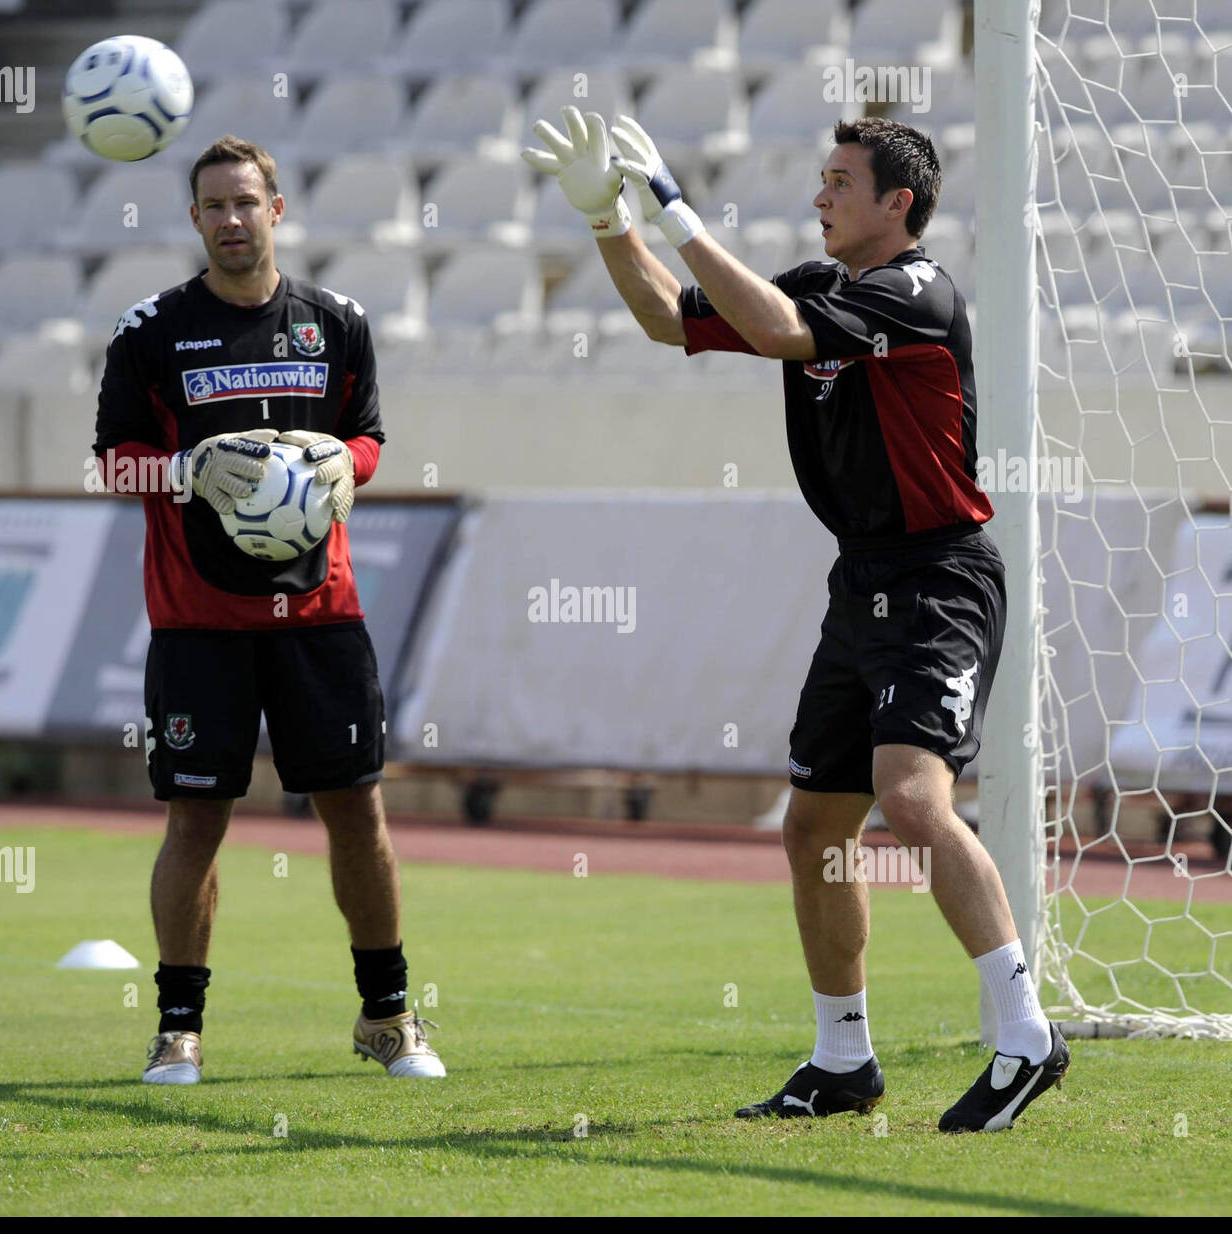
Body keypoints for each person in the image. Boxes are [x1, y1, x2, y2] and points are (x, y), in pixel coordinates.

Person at [523, 109, 1067, 1132]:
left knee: (911, 797)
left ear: (896, 203)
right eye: (819, 177)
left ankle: (1025, 1030)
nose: (819, 195)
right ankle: (842, 1057)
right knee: (816, 822)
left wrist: (672, 203)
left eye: (839, 181)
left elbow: (774, 331)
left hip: (939, 578)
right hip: (859, 581)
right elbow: (664, 318)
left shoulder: (916, 291)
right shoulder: (822, 290)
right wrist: (607, 219)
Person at [93, 134, 444, 1085]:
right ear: (195, 218)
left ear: (277, 209)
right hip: (199, 621)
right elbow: (111, 460)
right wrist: (184, 469)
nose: (232, 220)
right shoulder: (151, 331)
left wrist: (343, 465)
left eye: (247, 202)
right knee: (196, 823)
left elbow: (366, 438)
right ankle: (179, 1029)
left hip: (321, 615)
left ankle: (387, 1015)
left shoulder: (336, 321)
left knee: (356, 812)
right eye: (213, 206)